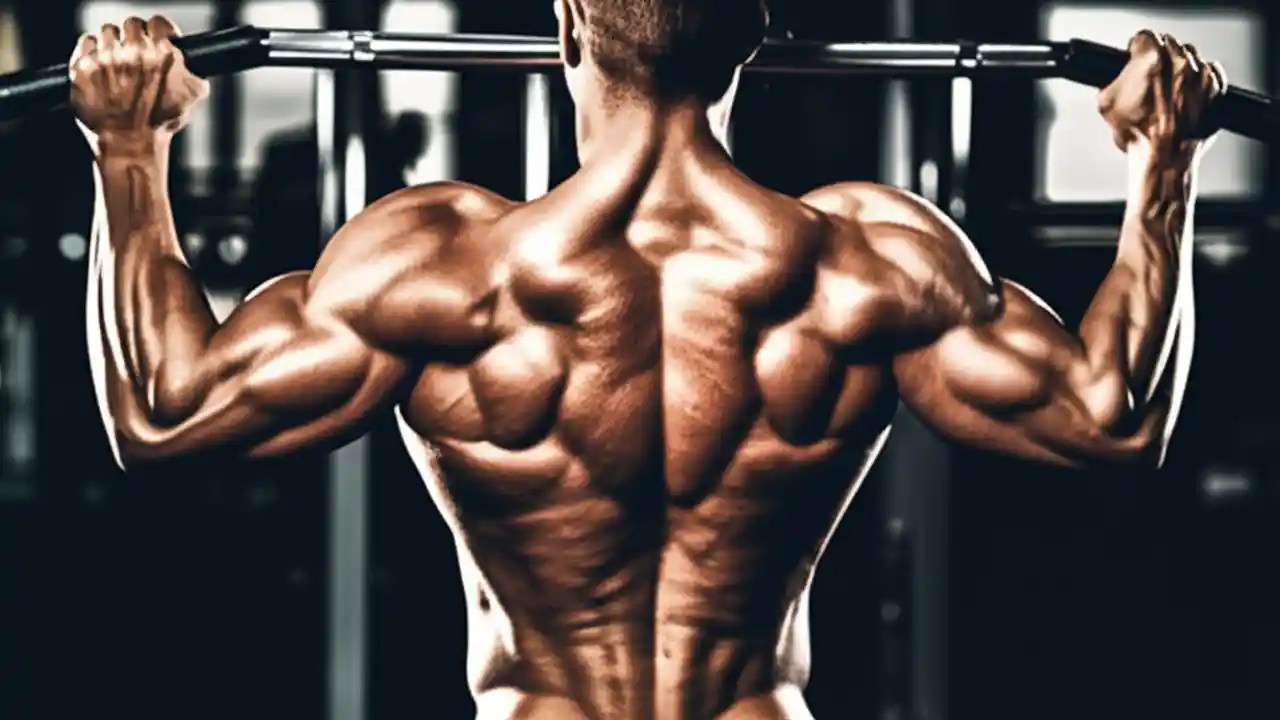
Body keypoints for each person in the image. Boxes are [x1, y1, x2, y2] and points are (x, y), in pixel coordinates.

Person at [69, 4, 1220, 719]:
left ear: (567, 25)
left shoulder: (438, 268)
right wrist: (1159, 166)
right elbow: (1113, 422)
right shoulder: (867, 265)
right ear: (754, 34)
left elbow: (163, 415)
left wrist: (128, 147)